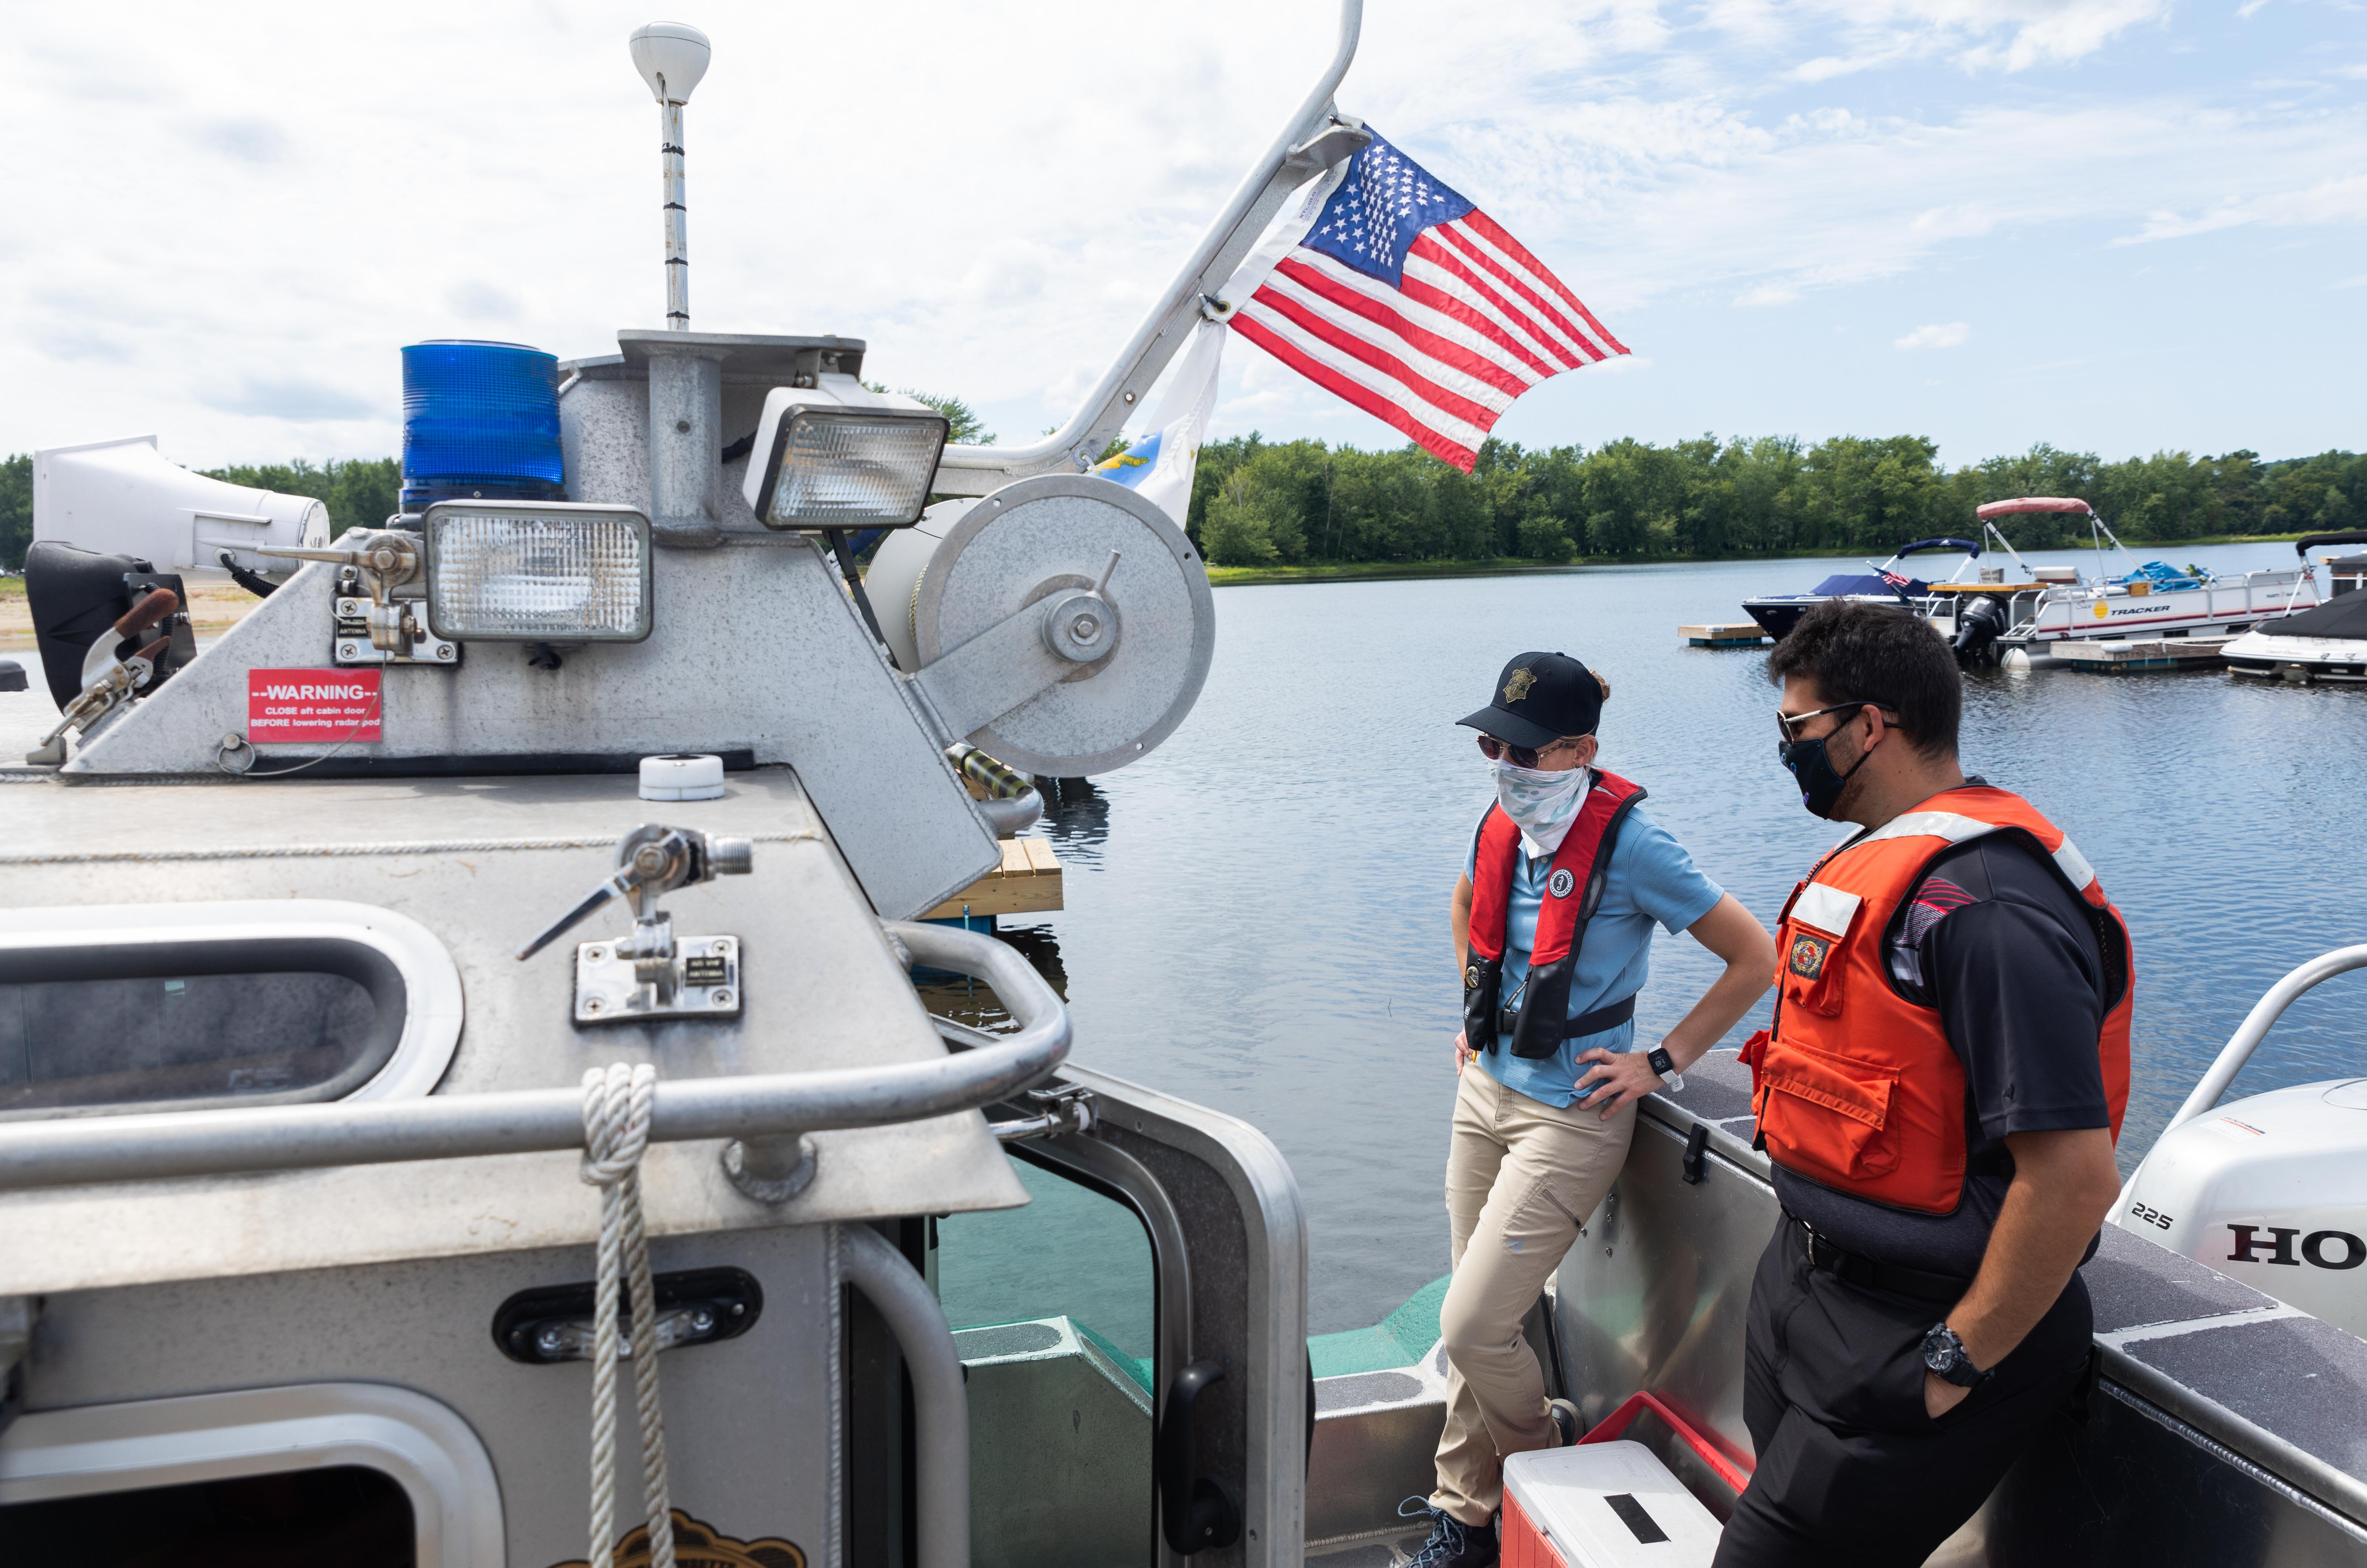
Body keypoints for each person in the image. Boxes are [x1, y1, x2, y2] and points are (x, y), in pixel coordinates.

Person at [1717, 600, 2132, 1568]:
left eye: (1797, 726)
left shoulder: (1986, 906)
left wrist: (1954, 1359)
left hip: (1917, 1325)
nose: (1786, 749)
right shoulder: (1881, 859)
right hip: (1807, 1288)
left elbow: (2073, 1178)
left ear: (1869, 726)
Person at [1404, 651, 1777, 1568]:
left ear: (1582, 751)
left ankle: (1543, 1466)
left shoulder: (1637, 845)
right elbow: (1464, 901)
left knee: (1471, 1325)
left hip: (1569, 1116)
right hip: (1483, 1092)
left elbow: (1754, 958)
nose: (1505, 765)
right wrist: (1475, 1009)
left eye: (1527, 751)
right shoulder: (1500, 821)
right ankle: (1468, 1515)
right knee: (1479, 1319)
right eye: (1494, 745)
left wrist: (1662, 1061)